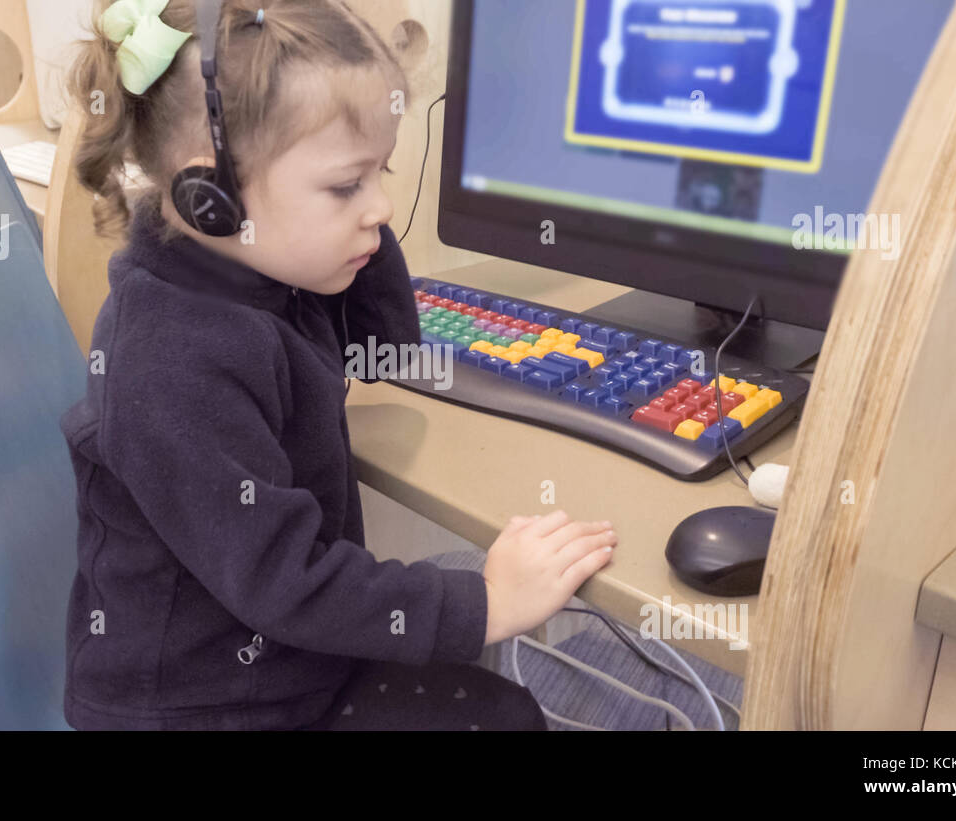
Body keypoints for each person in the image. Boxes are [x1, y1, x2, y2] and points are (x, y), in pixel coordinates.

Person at [58, 0, 619, 731]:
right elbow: (282, 579)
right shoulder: (172, 362)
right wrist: (482, 601)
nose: (381, 208)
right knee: (495, 715)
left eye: (380, 172)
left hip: (272, 652)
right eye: (347, 185)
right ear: (211, 199)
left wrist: (351, 224)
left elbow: (376, 347)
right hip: (197, 704)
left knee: (490, 701)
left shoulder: (255, 269)